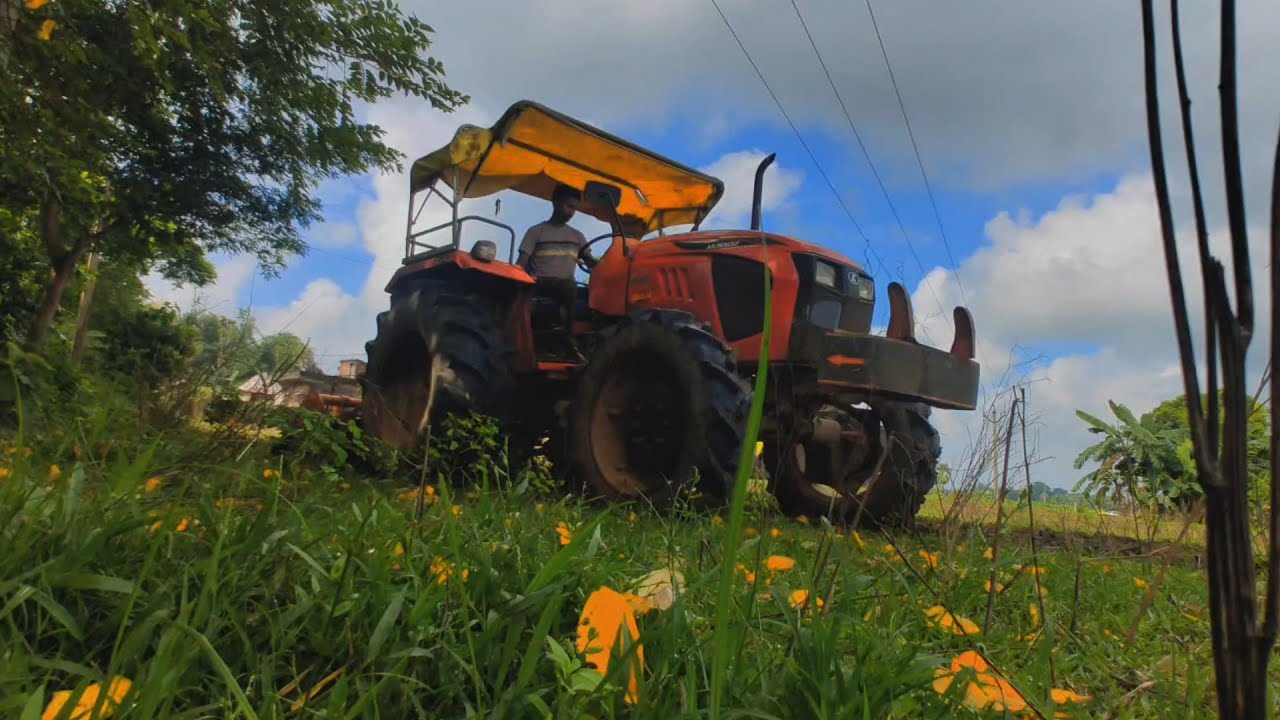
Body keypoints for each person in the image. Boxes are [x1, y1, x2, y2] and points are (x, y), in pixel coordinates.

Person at [515, 184, 597, 331]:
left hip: (565, 288)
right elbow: (520, 264)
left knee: (594, 295)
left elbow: (591, 262)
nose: (571, 213)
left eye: (575, 209)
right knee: (569, 286)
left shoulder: (577, 236)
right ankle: (567, 335)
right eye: (569, 206)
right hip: (539, 284)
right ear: (555, 202)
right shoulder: (536, 232)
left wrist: (603, 265)